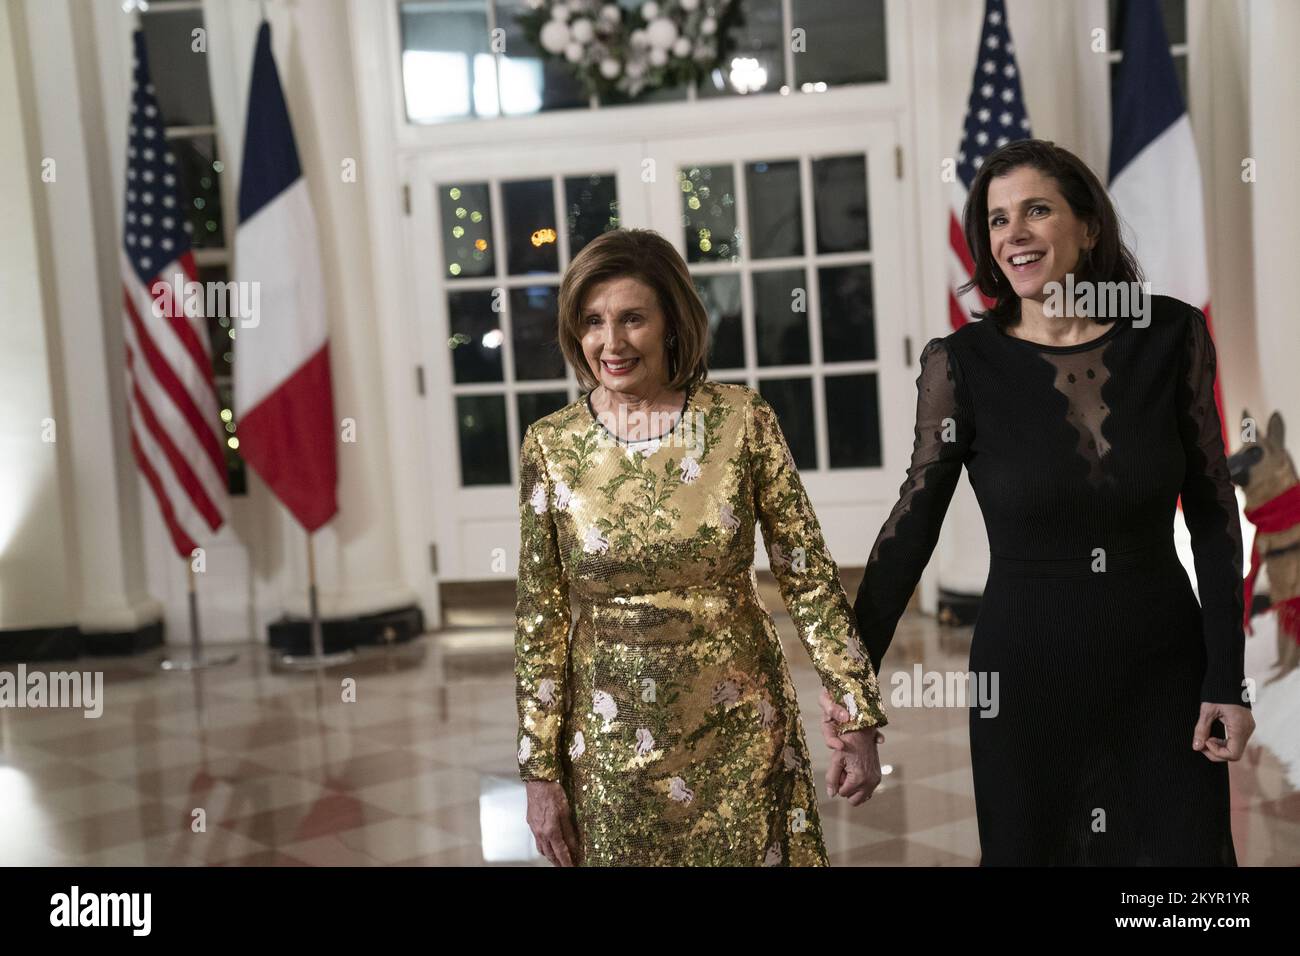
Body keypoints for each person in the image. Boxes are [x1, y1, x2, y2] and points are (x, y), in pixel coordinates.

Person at [820, 138, 1254, 865]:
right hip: (1026, 682)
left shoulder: (1173, 334)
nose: (1013, 234)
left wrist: (1226, 679)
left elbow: (1212, 509)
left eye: (1036, 210)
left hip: (1166, 674)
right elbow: (912, 526)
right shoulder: (962, 363)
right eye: (996, 220)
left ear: (1088, 226)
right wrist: (851, 686)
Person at [515, 228, 886, 866]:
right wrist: (539, 769)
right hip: (609, 746)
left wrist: (855, 709)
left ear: (672, 322)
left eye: (633, 318)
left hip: (742, 728)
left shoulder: (742, 420)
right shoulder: (550, 445)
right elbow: (540, 617)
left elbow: (807, 575)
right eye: (593, 321)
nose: (612, 342)